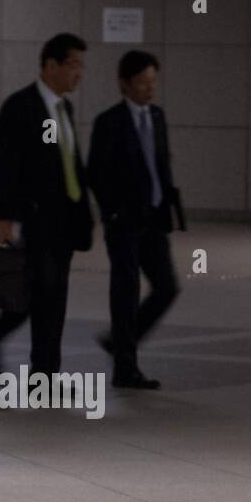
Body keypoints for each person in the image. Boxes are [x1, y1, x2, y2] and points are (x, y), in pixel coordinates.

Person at [0, 33, 95, 383]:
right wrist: (2, 216)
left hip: (66, 221)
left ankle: (38, 371)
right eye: (73, 65)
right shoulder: (20, 106)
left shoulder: (65, 109)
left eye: (81, 66)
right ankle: (36, 370)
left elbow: (70, 163)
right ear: (50, 65)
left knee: (51, 299)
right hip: (35, 218)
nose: (79, 73)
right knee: (41, 293)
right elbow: (5, 165)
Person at [88, 50, 181, 390]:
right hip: (124, 222)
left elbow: (161, 164)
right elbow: (95, 173)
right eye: (142, 82)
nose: (149, 88)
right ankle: (125, 367)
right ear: (124, 84)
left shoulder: (157, 116)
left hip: (153, 219)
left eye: (153, 81)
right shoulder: (109, 122)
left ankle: (119, 341)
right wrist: (112, 212)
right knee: (125, 293)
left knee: (167, 287)